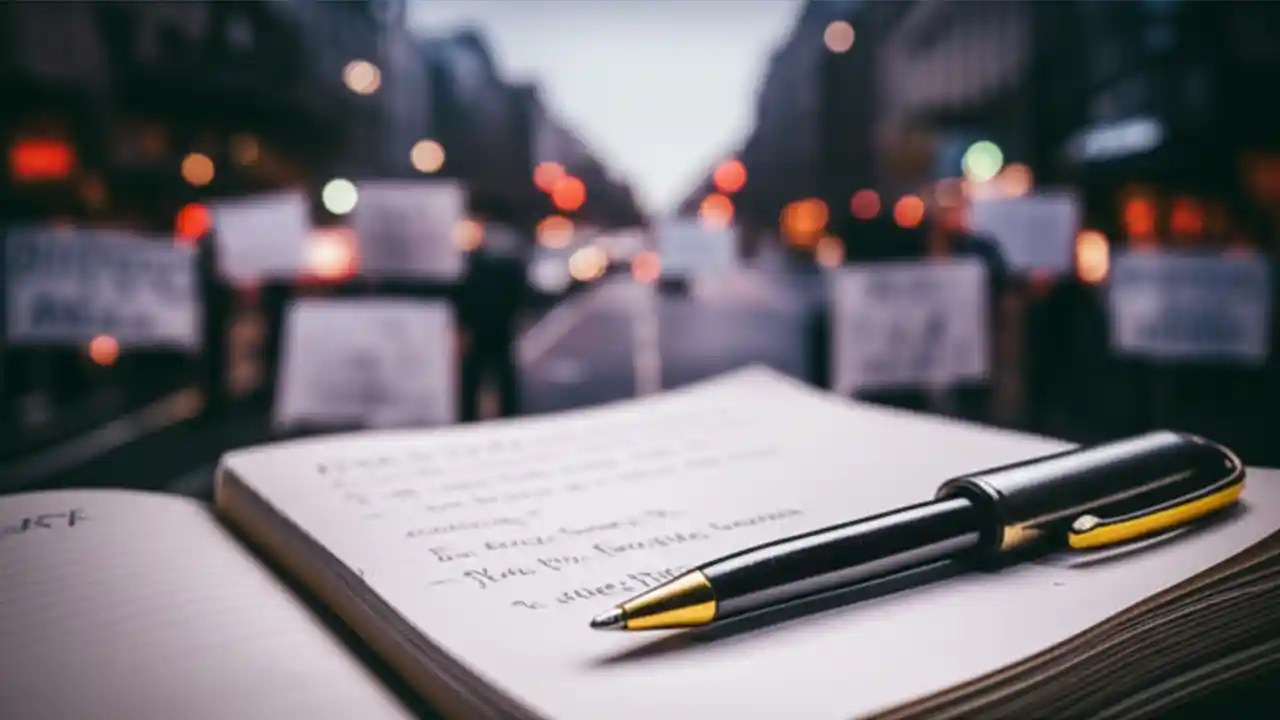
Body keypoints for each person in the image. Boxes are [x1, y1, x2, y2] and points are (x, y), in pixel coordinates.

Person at [454, 195, 531, 421]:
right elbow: (520, 285)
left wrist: (463, 318)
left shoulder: (476, 245)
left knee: (472, 377)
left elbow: (466, 285)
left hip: (480, 321)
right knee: (503, 374)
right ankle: (509, 416)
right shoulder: (513, 244)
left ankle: (468, 419)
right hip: (502, 321)